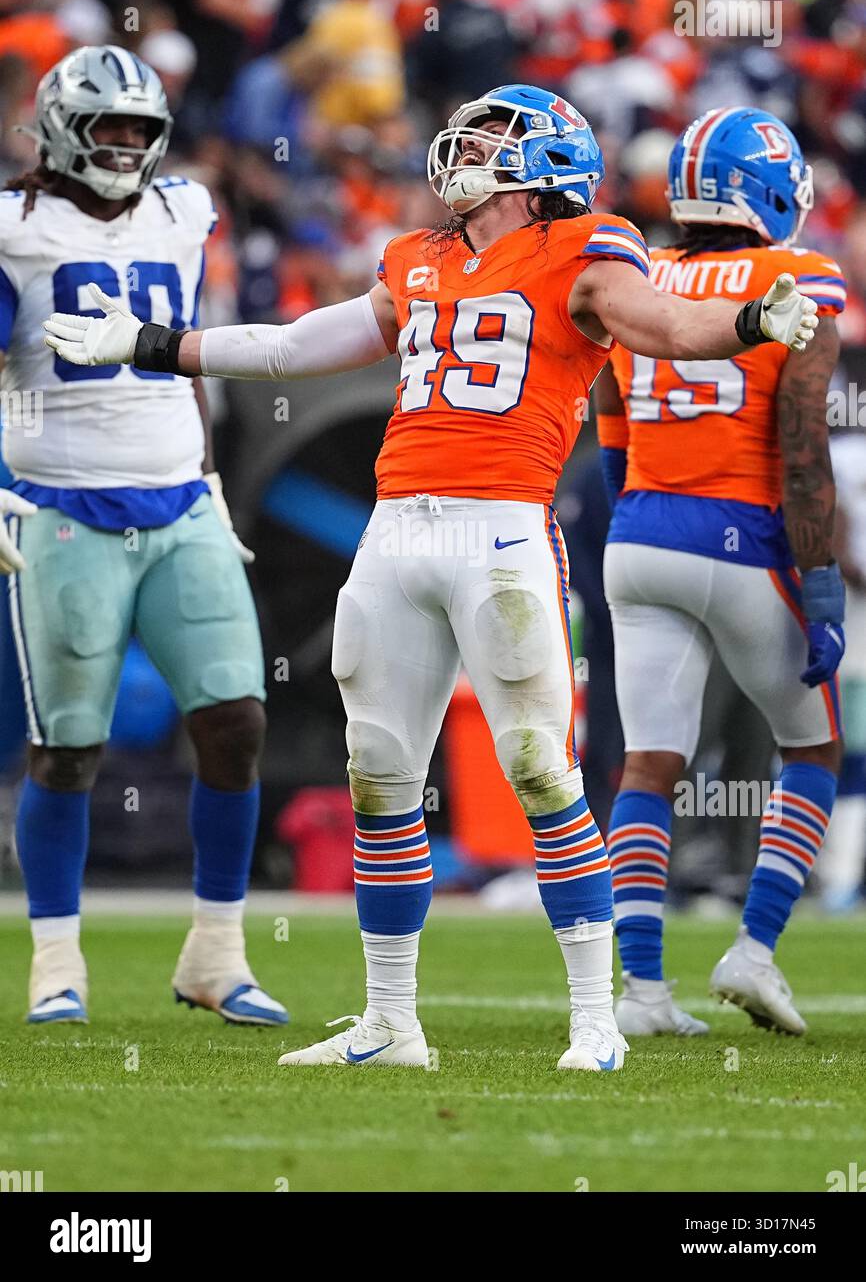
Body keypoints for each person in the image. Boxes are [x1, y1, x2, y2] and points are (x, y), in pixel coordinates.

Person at [45, 84, 819, 1072]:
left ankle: (593, 1016)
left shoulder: (585, 247)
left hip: (499, 531)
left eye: (495, 137)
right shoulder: (417, 259)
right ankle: (388, 1021)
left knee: (541, 767)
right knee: (378, 780)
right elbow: (293, 344)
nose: (468, 148)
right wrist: (152, 345)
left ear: (545, 167)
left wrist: (749, 319)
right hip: (393, 533)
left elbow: (663, 326)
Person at [1, 45, 286, 1028]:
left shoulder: (186, 211)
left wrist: (206, 470)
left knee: (236, 720)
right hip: (64, 507)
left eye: (139, 130)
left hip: (180, 500)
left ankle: (217, 952)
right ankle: (55, 962)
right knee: (68, 748)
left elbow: (188, 352)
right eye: (108, 129)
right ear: (62, 128)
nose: (126, 147)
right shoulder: (17, 228)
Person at [595, 107, 845, 1037]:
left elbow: (612, 424)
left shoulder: (639, 278)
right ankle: (755, 949)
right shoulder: (799, 275)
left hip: (639, 532)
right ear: (771, 192)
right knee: (815, 746)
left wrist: (637, 511)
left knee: (650, 763)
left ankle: (643, 990)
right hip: (741, 539)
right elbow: (803, 440)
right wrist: (818, 579)